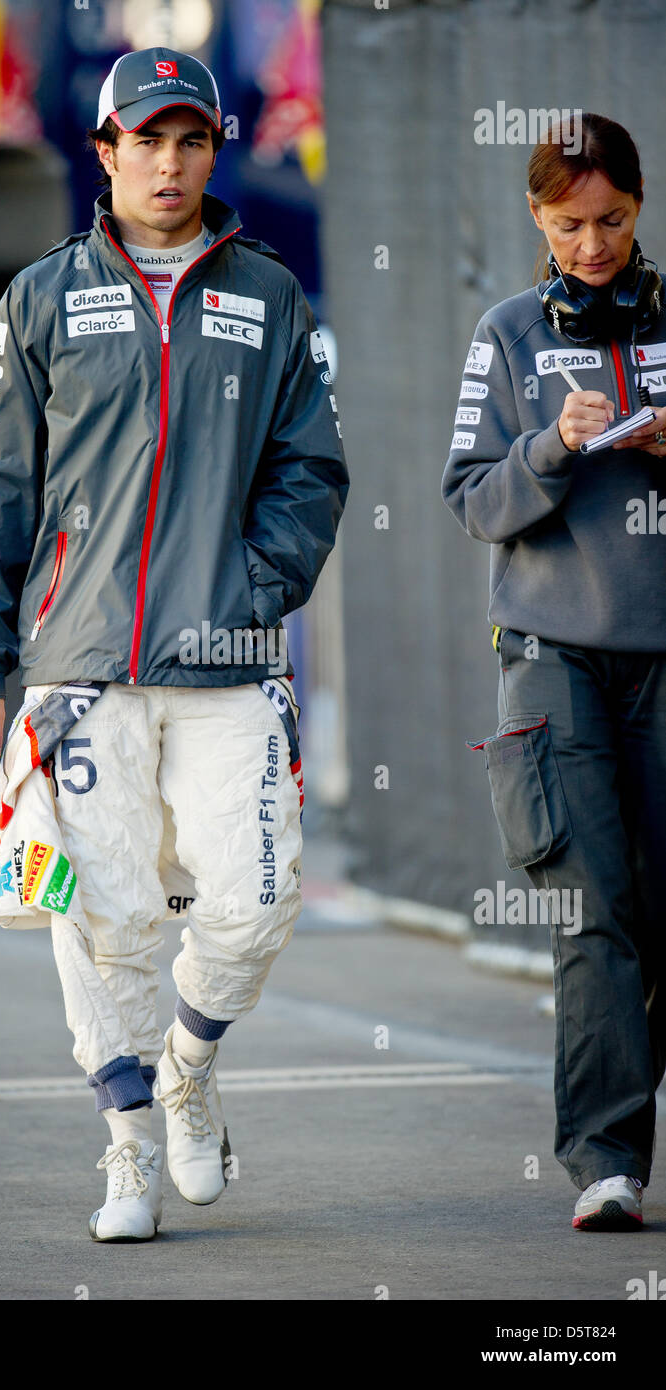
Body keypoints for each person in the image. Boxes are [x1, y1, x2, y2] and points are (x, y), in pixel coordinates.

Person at [0, 46, 348, 1242]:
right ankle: (126, 1144)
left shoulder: (269, 295)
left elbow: (311, 469)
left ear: (215, 151)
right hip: (79, 672)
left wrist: (250, 583)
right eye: (147, 140)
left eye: (192, 140)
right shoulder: (41, 298)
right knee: (101, 913)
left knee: (256, 900)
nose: (169, 163)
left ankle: (188, 1062)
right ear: (106, 150)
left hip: (229, 665)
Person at [442, 112, 666, 1231]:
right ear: (536, 215)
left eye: (613, 220)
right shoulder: (508, 331)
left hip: (662, 655)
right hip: (549, 657)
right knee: (592, 910)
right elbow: (470, 500)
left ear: (640, 204)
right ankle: (606, 1162)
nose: (592, 244)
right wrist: (551, 446)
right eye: (570, 224)